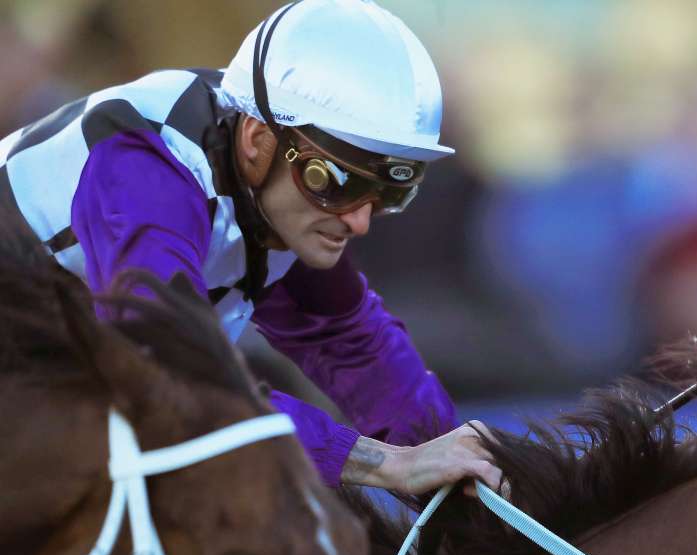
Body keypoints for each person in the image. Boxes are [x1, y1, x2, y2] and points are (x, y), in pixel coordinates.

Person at [0, 0, 503, 496]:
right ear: (257, 141)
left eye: (391, 192)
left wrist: (460, 471)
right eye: (335, 182)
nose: (359, 220)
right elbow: (168, 366)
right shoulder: (144, 171)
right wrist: (382, 465)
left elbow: (353, 344)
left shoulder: (281, 195)